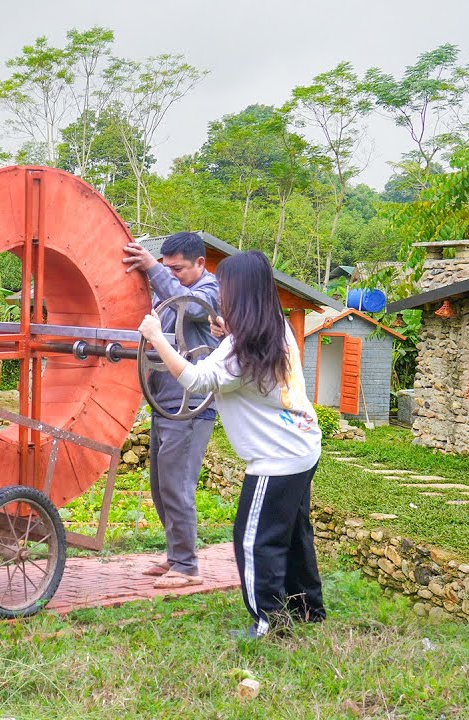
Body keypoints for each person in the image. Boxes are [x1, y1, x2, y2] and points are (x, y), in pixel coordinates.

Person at [137, 250, 324, 639]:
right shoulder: (275, 326)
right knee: (292, 533)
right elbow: (240, 357)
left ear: (239, 293)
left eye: (225, 287)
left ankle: (268, 624)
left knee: (254, 540)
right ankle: (309, 610)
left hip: (276, 459)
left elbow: (195, 379)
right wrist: (225, 335)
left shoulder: (241, 350)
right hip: (304, 444)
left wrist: (156, 337)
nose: (220, 293)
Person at [122, 231, 221, 589]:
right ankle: (175, 554)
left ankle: (187, 566)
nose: (171, 275)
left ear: (200, 264)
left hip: (190, 408)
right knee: (161, 488)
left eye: (177, 269)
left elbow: (191, 307)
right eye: (166, 268)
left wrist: (152, 268)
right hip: (164, 403)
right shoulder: (170, 296)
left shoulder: (210, 293)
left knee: (178, 487)